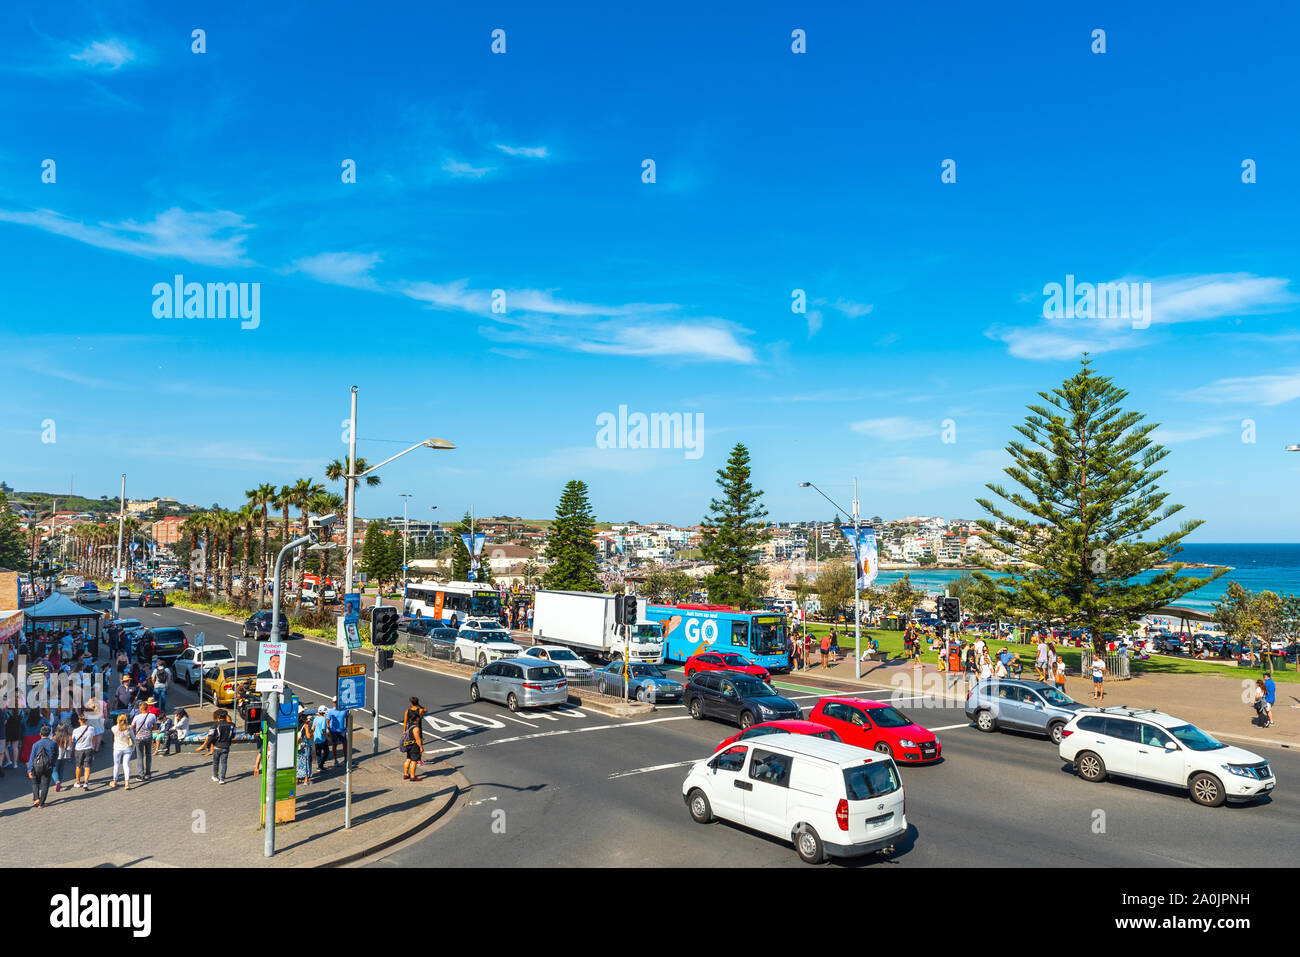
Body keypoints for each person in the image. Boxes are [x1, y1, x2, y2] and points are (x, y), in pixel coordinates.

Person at [27, 725, 57, 808]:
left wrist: (29, 770)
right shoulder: (53, 743)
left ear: (40, 734)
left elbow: (32, 758)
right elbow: (56, 755)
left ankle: (36, 798)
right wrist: (52, 763)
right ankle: (42, 803)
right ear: (49, 733)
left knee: (35, 783)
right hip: (48, 766)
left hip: (37, 766)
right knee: (45, 785)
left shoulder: (35, 744)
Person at [204, 710, 235, 784]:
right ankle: (222, 779)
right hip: (226, 747)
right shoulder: (232, 725)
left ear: (218, 717)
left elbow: (211, 737)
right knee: (224, 763)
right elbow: (233, 735)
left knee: (215, 762)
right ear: (226, 716)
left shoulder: (214, 725)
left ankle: (215, 776)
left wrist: (207, 745)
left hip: (217, 747)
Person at [131, 702, 157, 781]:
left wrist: (135, 733)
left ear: (141, 709)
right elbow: (155, 726)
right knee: (148, 754)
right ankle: (148, 773)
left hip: (139, 738)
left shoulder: (137, 717)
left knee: (140, 756)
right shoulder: (152, 716)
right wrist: (149, 730)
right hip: (148, 737)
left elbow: (132, 727)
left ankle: (141, 774)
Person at [402, 697, 426, 781]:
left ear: (411, 703)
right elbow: (425, 710)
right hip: (415, 737)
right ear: (417, 718)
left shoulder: (407, 711)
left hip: (409, 735)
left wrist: (404, 731)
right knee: (413, 760)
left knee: (408, 758)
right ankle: (412, 776)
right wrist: (421, 747)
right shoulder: (419, 711)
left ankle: (405, 774)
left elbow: (405, 722)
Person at [109, 714, 133, 790]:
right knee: (126, 766)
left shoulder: (114, 728)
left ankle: (115, 781)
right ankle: (127, 783)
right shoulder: (129, 728)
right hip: (127, 748)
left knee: (116, 765)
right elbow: (134, 738)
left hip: (117, 748)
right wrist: (134, 748)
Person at [71, 712, 95, 789]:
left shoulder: (75, 730)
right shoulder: (91, 728)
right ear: (86, 720)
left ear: (79, 720)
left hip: (78, 749)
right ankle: (86, 783)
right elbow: (93, 738)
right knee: (87, 766)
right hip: (88, 748)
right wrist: (93, 747)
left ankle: (78, 782)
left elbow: (72, 740)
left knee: (78, 766)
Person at [327, 698, 347, 766]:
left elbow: (347, 717)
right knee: (334, 745)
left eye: (336, 702)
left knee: (345, 744)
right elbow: (328, 721)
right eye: (334, 702)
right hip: (334, 731)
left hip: (342, 731)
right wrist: (329, 730)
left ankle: (346, 759)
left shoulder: (344, 709)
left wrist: (346, 726)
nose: (335, 703)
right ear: (332, 702)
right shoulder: (330, 711)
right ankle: (335, 760)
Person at [311, 706, 330, 773]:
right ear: (324, 712)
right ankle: (320, 765)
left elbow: (312, 729)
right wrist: (327, 738)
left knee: (318, 753)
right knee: (326, 752)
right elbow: (323, 730)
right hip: (322, 739)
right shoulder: (323, 719)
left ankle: (320, 766)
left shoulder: (315, 719)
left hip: (316, 739)